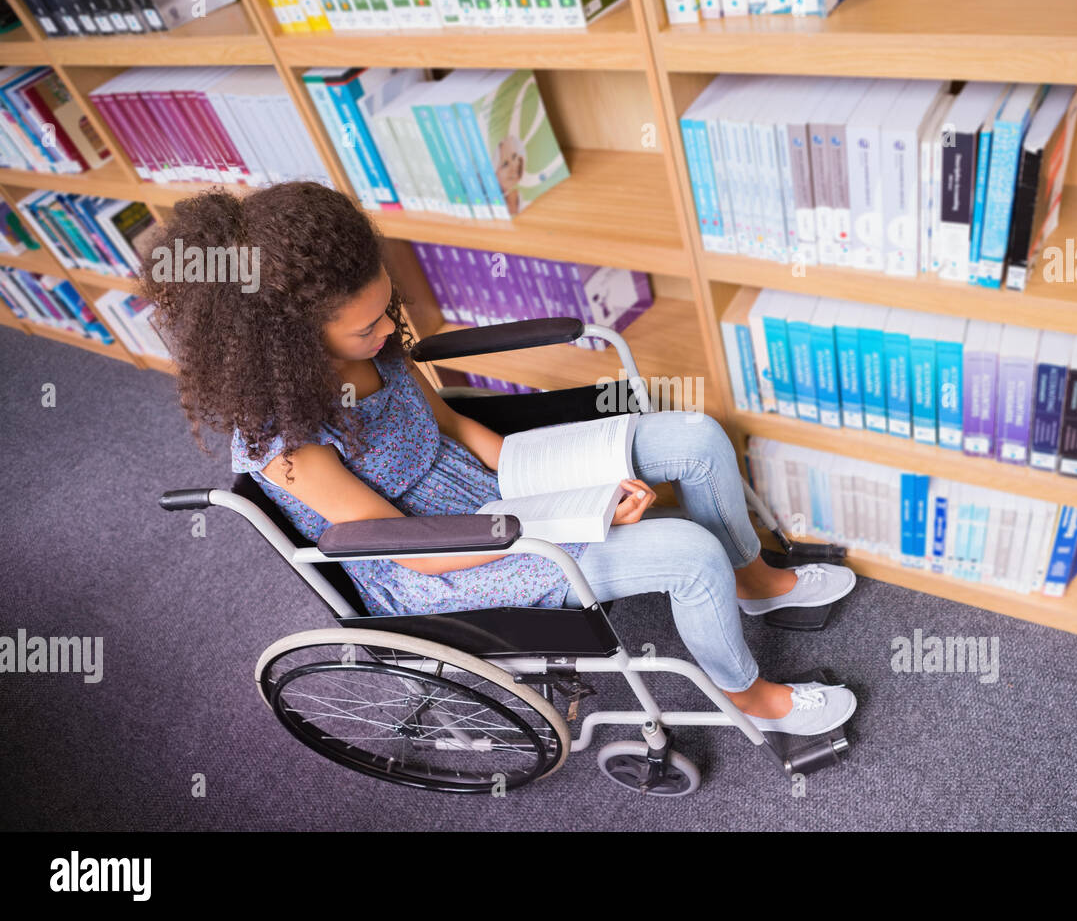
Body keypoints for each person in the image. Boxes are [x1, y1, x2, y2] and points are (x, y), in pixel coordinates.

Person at [142, 181, 859, 737]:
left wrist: (557, 473)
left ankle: (755, 582)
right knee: (687, 553)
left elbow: (449, 420)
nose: (388, 327)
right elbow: (413, 553)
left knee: (696, 437)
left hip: (486, 484)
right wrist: (578, 517)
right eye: (368, 325)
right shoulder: (287, 442)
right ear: (292, 339)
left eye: (387, 307)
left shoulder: (370, 338)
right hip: (442, 559)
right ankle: (752, 697)